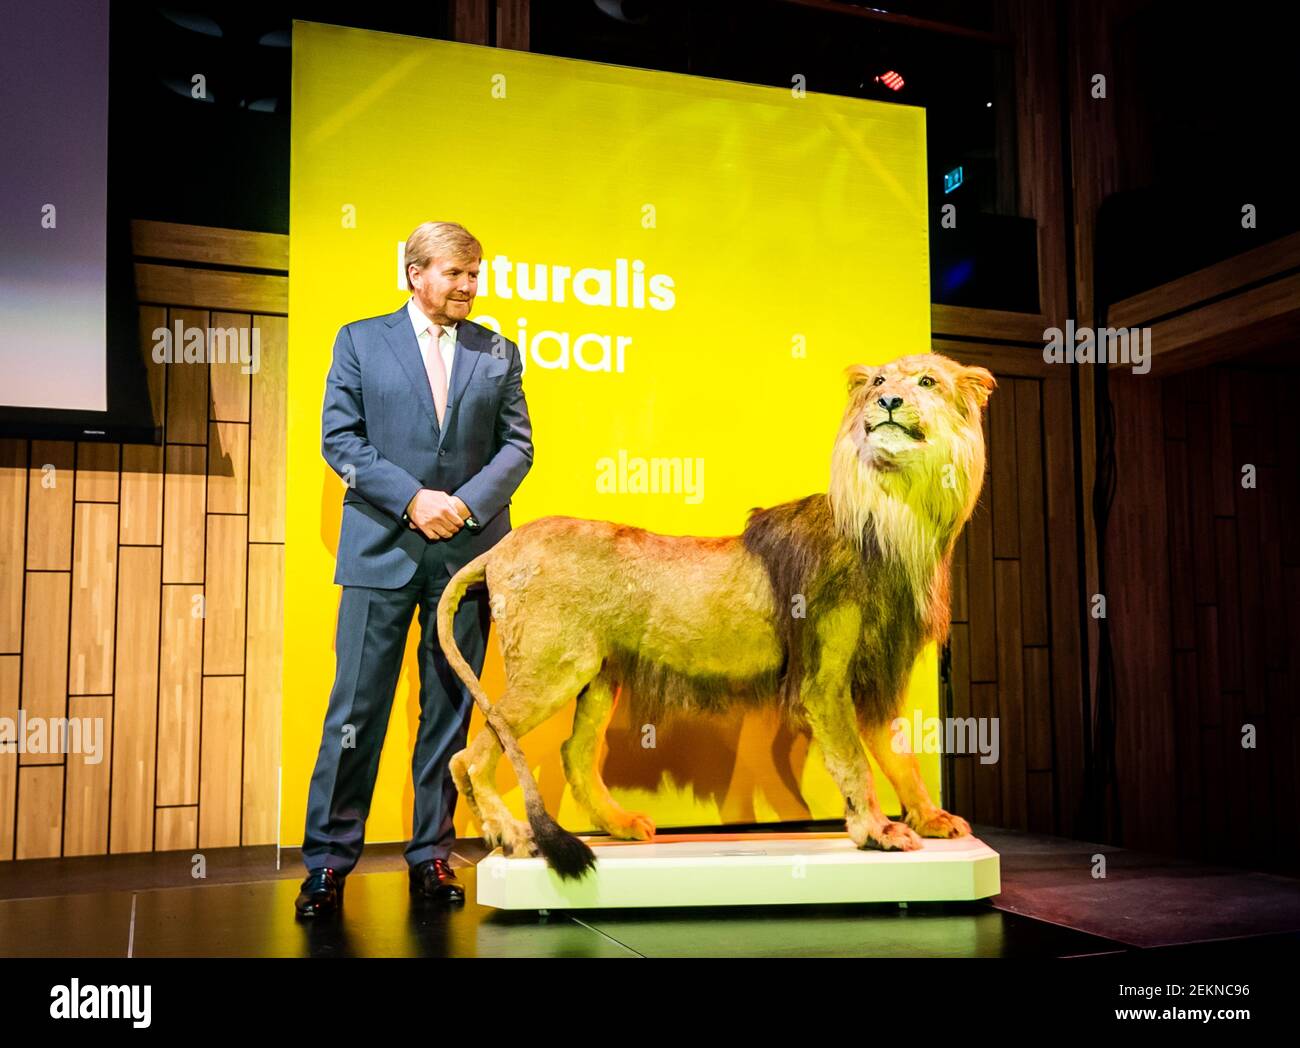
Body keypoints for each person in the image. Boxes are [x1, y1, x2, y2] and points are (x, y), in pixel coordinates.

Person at [295, 221, 532, 918]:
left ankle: (432, 855)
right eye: (455, 273)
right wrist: (412, 499)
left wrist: (460, 505)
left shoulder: (499, 351)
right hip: (379, 553)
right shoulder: (359, 341)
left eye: (474, 273)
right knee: (355, 712)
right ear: (415, 273)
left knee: (448, 715)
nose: (468, 286)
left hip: (465, 557)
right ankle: (329, 864)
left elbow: (518, 447)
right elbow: (339, 440)